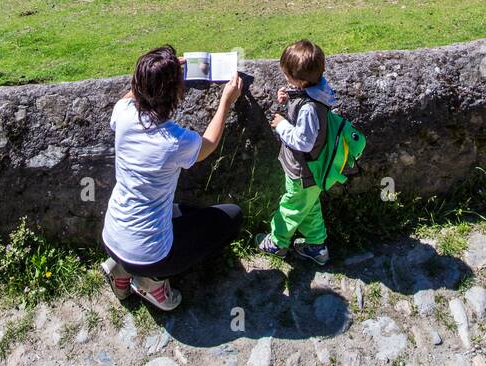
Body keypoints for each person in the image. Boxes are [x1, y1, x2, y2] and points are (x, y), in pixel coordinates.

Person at [101, 45, 244, 311]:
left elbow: (131, 95)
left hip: (112, 236)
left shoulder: (124, 113)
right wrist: (226, 101)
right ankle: (151, 281)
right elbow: (209, 144)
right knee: (231, 217)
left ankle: (120, 270)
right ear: (175, 93)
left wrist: (155, 70)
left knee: (186, 213)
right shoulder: (174, 141)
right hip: (150, 254)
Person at [257, 39, 335, 267]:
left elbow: (303, 141)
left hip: (303, 170)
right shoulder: (318, 88)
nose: (285, 80)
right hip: (313, 170)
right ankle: (317, 247)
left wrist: (281, 124)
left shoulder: (310, 108)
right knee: (309, 206)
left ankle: (277, 243)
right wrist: (291, 93)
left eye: (288, 78)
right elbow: (306, 96)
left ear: (300, 81)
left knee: (291, 207)